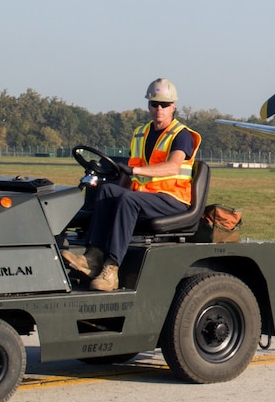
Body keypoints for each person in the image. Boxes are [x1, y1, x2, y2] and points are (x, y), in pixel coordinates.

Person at [63, 78, 202, 291]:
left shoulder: (181, 135)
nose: (159, 109)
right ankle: (93, 257)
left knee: (128, 200)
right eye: (154, 104)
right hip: (148, 195)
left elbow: (173, 167)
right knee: (107, 190)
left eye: (164, 105)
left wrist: (135, 171)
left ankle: (112, 269)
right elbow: (130, 171)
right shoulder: (141, 133)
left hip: (174, 199)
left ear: (173, 106)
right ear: (148, 105)